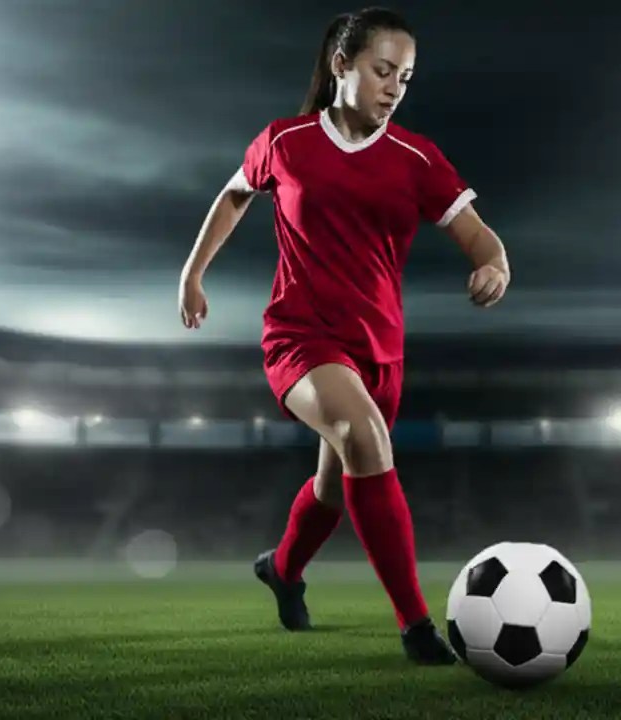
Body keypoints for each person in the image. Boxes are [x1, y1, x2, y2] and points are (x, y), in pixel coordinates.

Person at [177, 7, 510, 665]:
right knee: (363, 435)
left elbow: (480, 237)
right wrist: (193, 273)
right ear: (341, 65)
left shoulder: (416, 157)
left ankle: (283, 569)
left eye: (405, 78)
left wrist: (494, 265)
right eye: (383, 71)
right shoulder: (285, 141)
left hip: (380, 352)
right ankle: (416, 626)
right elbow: (236, 194)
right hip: (299, 337)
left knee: (335, 487)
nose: (394, 88)